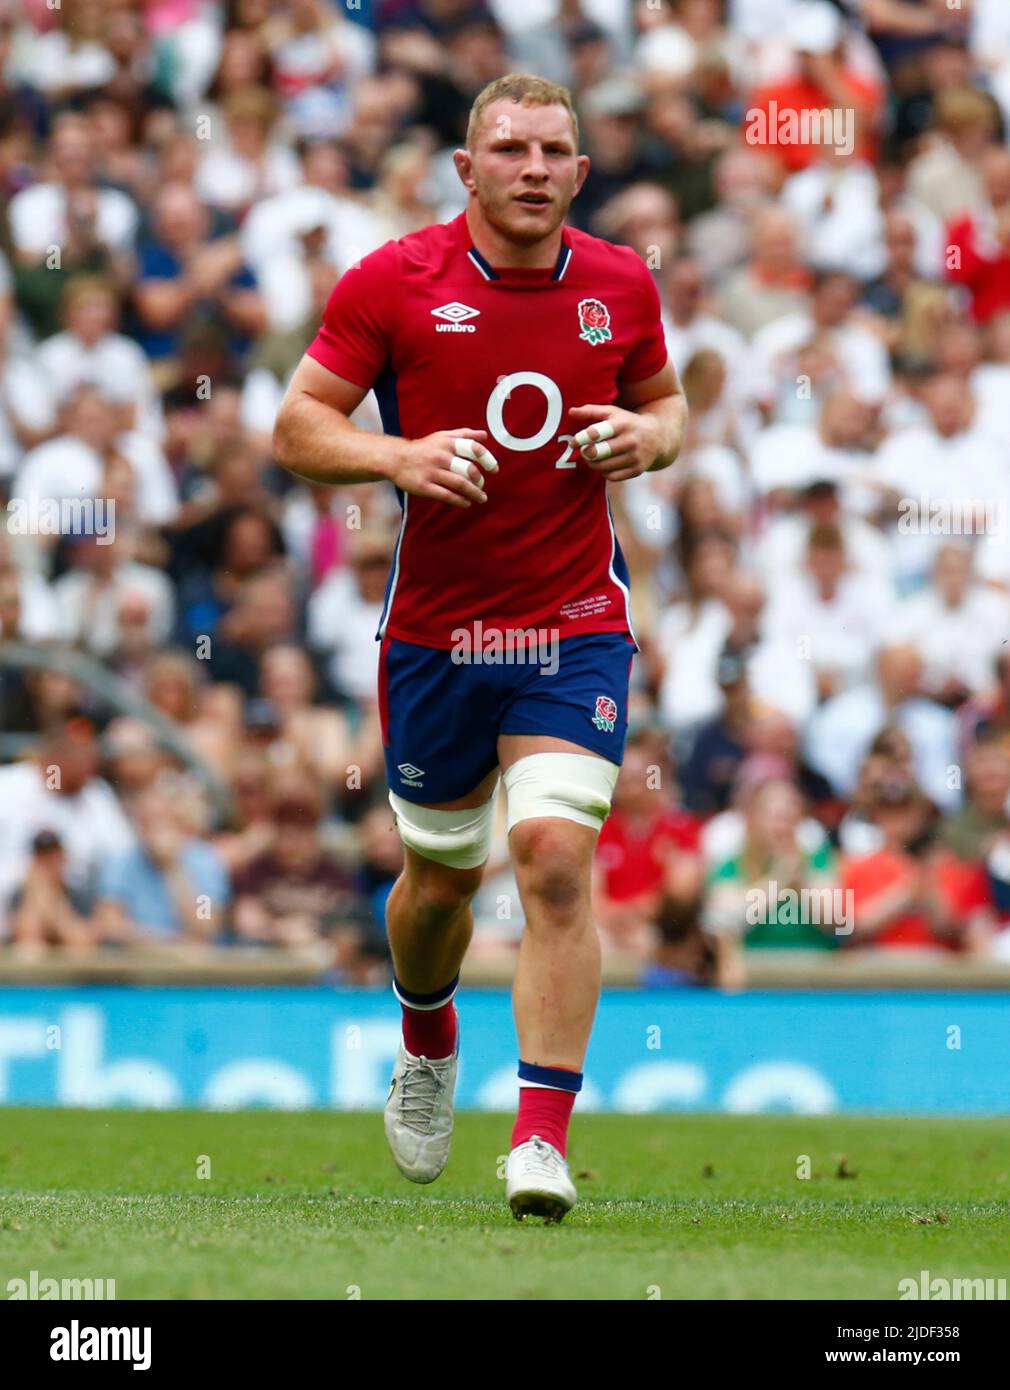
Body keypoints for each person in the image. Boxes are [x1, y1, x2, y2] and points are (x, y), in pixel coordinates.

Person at [274, 73, 687, 1221]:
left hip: (571, 625)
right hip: (436, 640)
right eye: (509, 148)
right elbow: (295, 424)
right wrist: (395, 459)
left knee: (553, 857)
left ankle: (540, 1139)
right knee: (437, 885)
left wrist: (642, 439)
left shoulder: (618, 279)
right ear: (466, 169)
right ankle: (424, 1038)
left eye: (555, 149)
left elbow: (669, 408)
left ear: (579, 171)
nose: (533, 168)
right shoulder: (392, 281)